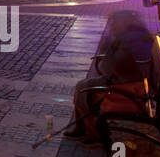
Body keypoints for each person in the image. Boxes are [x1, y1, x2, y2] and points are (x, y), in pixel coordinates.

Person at [63, 11, 153, 145]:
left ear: (122, 23)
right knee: (82, 85)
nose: (111, 26)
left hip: (130, 87)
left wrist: (107, 47)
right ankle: (82, 127)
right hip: (130, 81)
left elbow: (112, 67)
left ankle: (95, 134)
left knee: (84, 90)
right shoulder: (134, 36)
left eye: (114, 23)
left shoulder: (131, 40)